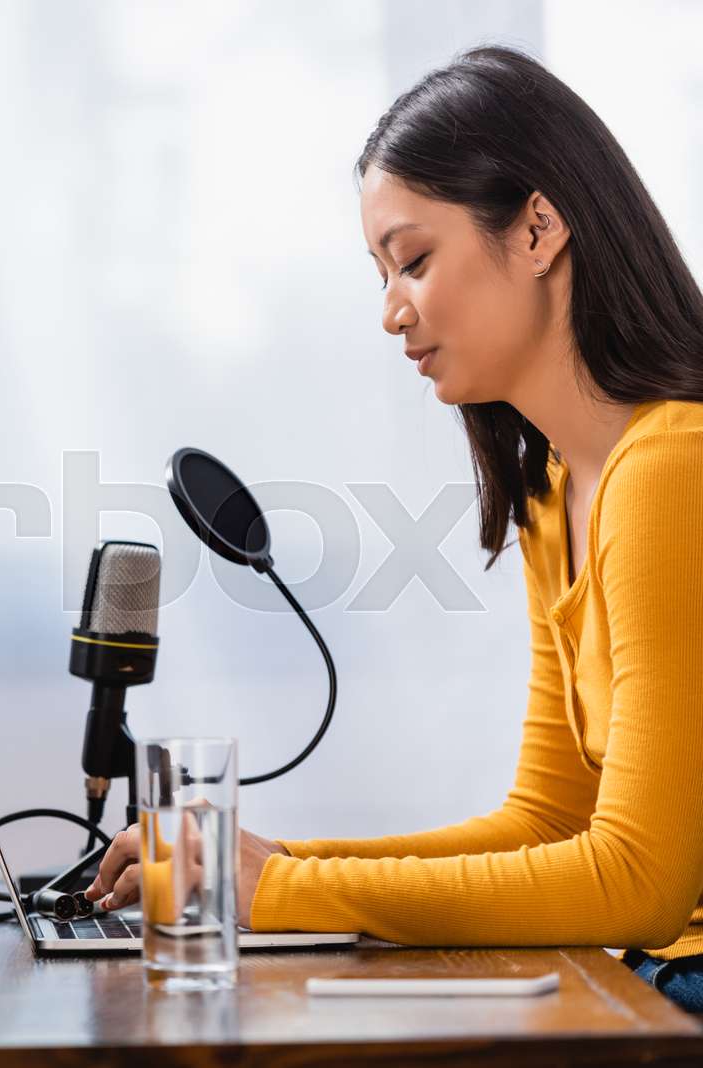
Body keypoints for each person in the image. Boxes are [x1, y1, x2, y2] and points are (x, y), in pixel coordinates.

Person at [86, 45, 703, 1013]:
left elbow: (639, 880)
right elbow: (546, 822)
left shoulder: (671, 471)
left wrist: (278, 891)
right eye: (381, 272)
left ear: (538, 226)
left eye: (413, 260)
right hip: (653, 979)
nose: (390, 312)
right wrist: (272, 861)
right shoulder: (555, 490)